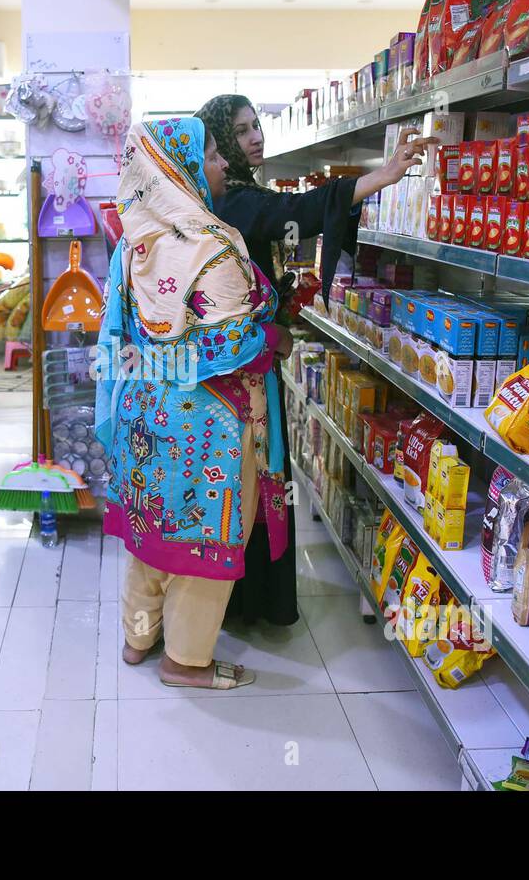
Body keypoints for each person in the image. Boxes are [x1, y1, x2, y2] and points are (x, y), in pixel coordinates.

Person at [195, 94, 434, 626]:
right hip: (243, 373)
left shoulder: (239, 194)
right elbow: (295, 213)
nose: (256, 137)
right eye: (239, 132)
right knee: (255, 479)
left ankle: (244, 604)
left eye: (257, 126)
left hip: (251, 362)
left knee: (257, 478)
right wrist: (382, 176)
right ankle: (246, 605)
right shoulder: (232, 202)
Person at [94, 117, 290, 689]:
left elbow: (125, 335)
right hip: (210, 425)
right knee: (205, 541)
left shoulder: (134, 242)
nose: (223, 162)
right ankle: (184, 660)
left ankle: (137, 638)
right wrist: (273, 336)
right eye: (209, 153)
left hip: (143, 412)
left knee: (150, 532)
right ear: (177, 168)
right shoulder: (212, 244)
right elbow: (234, 346)